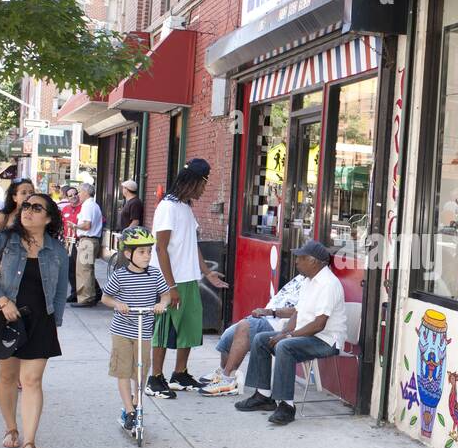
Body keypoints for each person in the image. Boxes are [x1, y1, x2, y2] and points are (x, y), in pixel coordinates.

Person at [0, 193, 70, 448]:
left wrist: (55, 323)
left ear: (48, 217)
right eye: (25, 206)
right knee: (7, 377)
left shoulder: (57, 249)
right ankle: (11, 428)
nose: (27, 211)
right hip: (6, 316)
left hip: (41, 319)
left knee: (32, 381)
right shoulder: (4, 240)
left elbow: (62, 290)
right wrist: (2, 301)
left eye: (36, 208)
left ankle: (29, 442)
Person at [235, 239, 347, 426]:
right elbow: (298, 312)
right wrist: (284, 331)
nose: (296, 262)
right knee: (262, 339)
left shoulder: (329, 284)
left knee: (285, 347)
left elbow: (319, 324)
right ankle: (263, 395)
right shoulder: (308, 281)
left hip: (325, 340)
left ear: (314, 261)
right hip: (307, 336)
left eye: (301, 258)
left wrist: (287, 337)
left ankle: (287, 406)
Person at [144, 159, 229, 397]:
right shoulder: (167, 207)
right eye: (205, 183)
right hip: (168, 280)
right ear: (194, 182)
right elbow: (160, 249)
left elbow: (193, 245)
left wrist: (208, 273)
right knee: (164, 329)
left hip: (188, 278)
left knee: (189, 328)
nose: (205, 189)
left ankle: (179, 374)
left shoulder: (185, 207)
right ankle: (155, 379)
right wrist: (170, 286)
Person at [102, 227, 172, 429]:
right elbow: (105, 297)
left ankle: (136, 402)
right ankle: (130, 411)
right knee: (123, 371)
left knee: (140, 371)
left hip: (144, 331)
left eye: (149, 252)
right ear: (128, 254)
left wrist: (162, 304)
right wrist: (117, 304)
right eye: (142, 252)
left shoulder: (155, 275)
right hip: (122, 331)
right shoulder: (120, 276)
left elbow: (165, 295)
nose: (147, 256)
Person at [199, 271, 306, 397]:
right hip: (266, 317)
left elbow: (300, 311)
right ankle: (223, 372)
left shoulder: (316, 286)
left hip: (277, 323)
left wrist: (268, 311)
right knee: (228, 335)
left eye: (303, 258)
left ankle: (228, 380)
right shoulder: (301, 277)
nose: (297, 261)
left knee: (244, 327)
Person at [72, 183, 103, 306]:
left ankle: (86, 298)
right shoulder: (93, 205)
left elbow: (86, 225)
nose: (78, 194)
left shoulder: (88, 205)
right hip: (90, 240)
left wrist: (75, 226)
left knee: (84, 270)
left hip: (88, 240)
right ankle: (90, 296)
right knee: (87, 269)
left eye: (79, 192)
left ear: (86, 192)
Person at [59, 186, 81, 301]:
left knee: (82, 269)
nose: (73, 197)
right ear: (67, 197)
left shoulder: (84, 208)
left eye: (75, 194)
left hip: (79, 241)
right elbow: (61, 225)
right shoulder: (65, 209)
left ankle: (94, 291)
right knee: (70, 268)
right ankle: (75, 293)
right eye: (70, 195)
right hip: (68, 241)